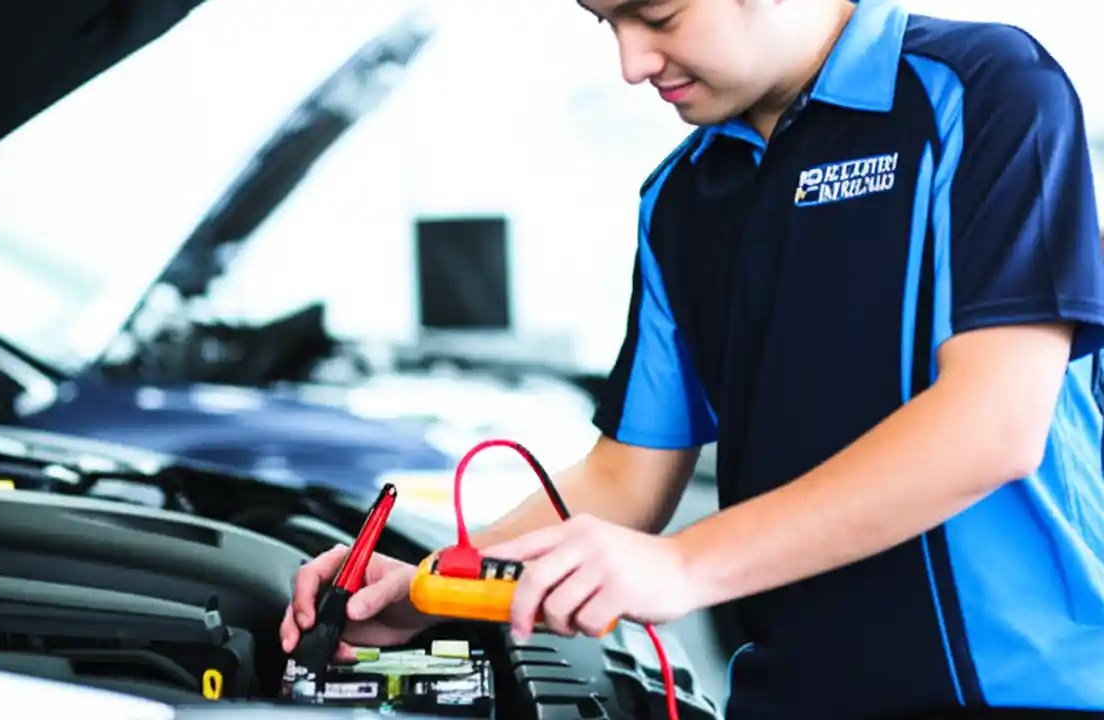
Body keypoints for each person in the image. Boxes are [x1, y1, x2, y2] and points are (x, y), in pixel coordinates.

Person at [282, 0, 1104, 716]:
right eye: (607, 24)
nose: (632, 64)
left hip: (1028, 696)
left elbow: (995, 423)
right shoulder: (680, 197)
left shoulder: (988, 88)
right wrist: (427, 587)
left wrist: (685, 564)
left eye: (659, 15)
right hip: (792, 700)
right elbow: (626, 477)